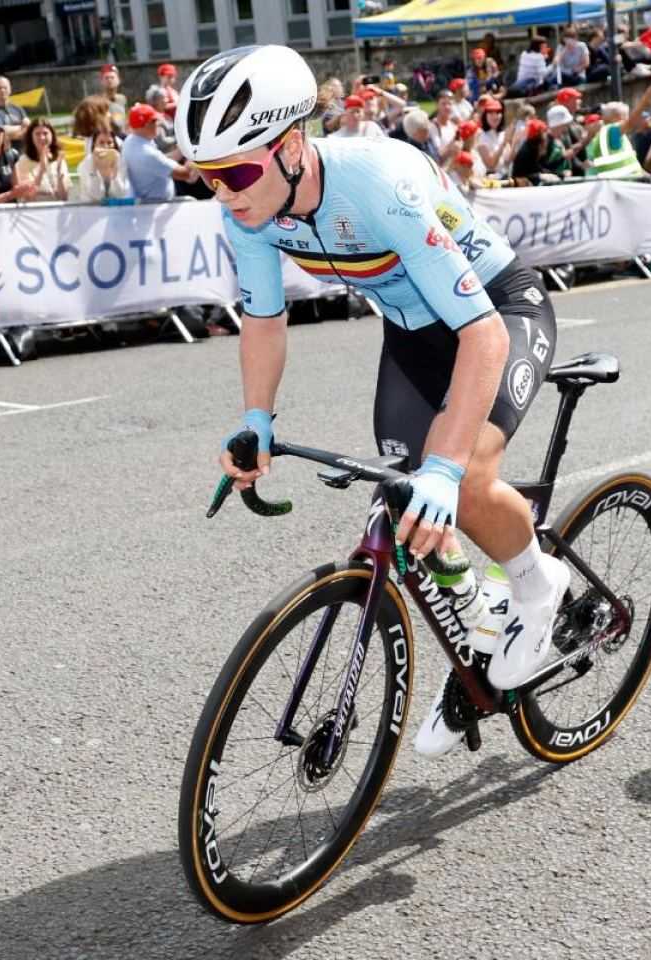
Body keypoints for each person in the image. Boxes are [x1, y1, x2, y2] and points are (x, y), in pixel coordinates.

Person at [176, 44, 568, 758]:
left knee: (465, 478)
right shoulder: (250, 213)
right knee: (401, 492)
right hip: (415, 330)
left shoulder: (377, 182)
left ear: (292, 146)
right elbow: (264, 318)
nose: (224, 192)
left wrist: (447, 469)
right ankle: (481, 637)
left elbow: (481, 336)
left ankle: (539, 586)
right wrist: (256, 419)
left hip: (498, 312)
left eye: (234, 171)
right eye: (207, 177)